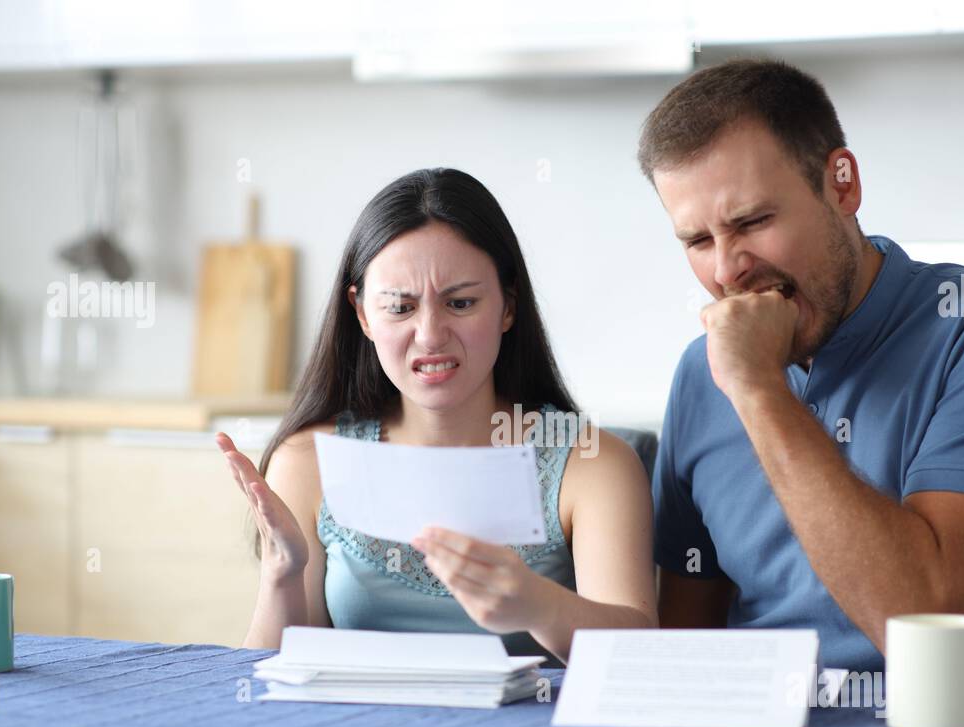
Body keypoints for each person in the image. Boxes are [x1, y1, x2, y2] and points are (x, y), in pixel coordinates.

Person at [639, 59, 964, 700]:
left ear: (842, 186)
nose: (728, 271)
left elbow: (921, 617)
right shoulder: (701, 372)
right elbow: (686, 642)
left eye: (753, 222)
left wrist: (759, 391)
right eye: (697, 241)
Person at [216, 168, 655, 665]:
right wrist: (282, 573)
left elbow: (637, 658)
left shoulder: (593, 465)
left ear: (508, 305)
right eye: (400, 308)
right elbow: (269, 682)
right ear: (362, 315)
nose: (430, 335)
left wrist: (538, 605)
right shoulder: (309, 460)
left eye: (461, 303)